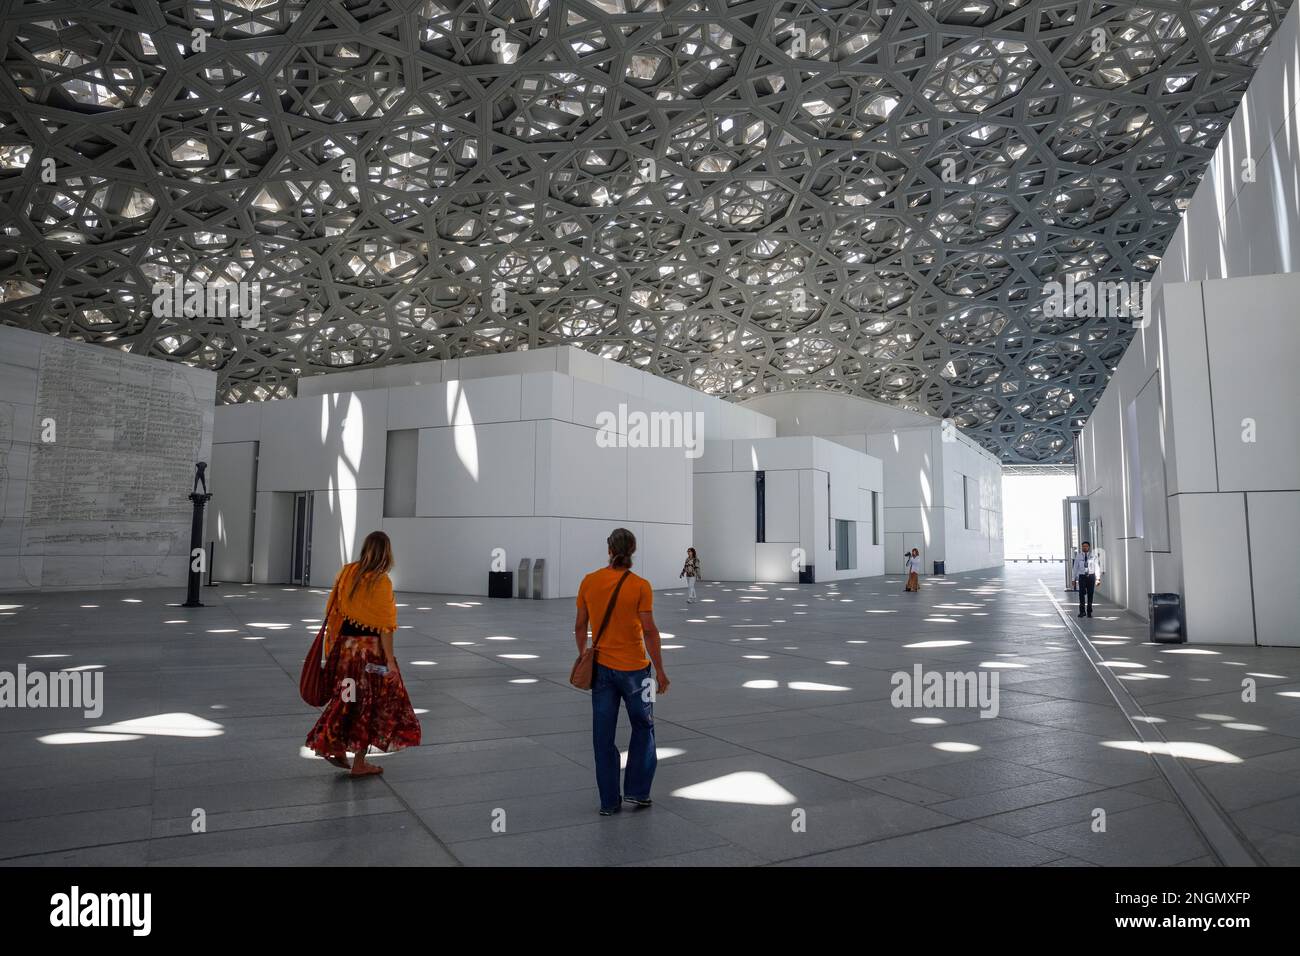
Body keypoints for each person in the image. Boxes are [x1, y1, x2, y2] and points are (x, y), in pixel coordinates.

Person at [306, 531, 421, 776]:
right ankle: (357, 761)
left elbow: (333, 611)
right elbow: (385, 627)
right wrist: (390, 661)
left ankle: (334, 744)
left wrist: (332, 648)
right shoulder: (381, 582)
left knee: (346, 699)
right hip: (370, 654)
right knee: (369, 705)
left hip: (345, 650)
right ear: (387, 552)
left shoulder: (347, 572)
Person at [575, 528, 670, 816]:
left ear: (609, 549)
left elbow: (580, 625)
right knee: (644, 726)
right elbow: (649, 630)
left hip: (602, 670)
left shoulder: (589, 581)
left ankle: (608, 802)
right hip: (636, 671)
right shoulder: (640, 586)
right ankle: (638, 792)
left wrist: (583, 653)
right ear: (633, 550)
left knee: (602, 735)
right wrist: (660, 670)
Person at [1072, 541, 1103, 618]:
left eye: (1086, 546)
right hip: (1082, 577)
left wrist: (1098, 578)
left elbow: (1097, 567)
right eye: (1083, 546)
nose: (1084, 547)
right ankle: (1082, 612)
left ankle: (1089, 612)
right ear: (1081, 547)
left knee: (1090, 594)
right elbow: (1075, 568)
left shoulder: (1093, 556)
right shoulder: (1078, 556)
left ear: (1089, 547)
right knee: (1081, 594)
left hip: (1091, 577)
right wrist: (1073, 579)